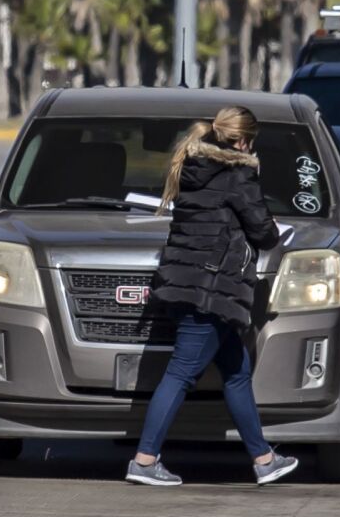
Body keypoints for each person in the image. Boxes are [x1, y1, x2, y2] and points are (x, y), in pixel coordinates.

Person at [125, 106, 298, 487]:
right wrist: (274, 232)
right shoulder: (238, 175)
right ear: (244, 140)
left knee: (236, 373)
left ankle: (264, 459)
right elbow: (264, 232)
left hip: (188, 282)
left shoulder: (193, 169)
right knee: (181, 373)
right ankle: (144, 459)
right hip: (210, 290)